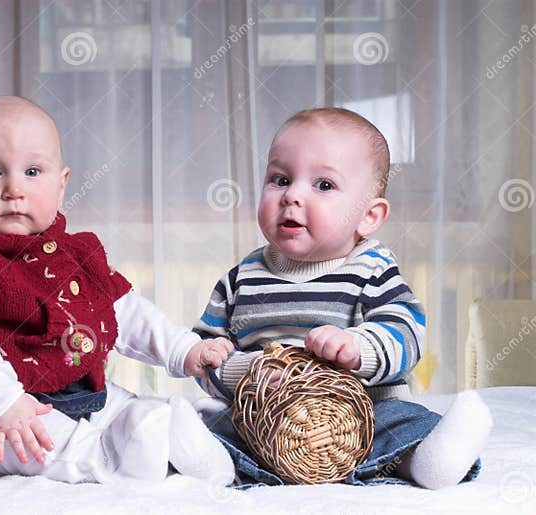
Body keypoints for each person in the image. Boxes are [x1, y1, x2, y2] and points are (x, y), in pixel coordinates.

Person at [0, 96, 235, 485]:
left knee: (116, 402)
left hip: (61, 390)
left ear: (61, 186)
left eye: (32, 171)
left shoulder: (70, 255)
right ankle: (109, 458)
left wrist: (182, 348)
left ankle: (173, 430)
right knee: (34, 441)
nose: (14, 189)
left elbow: (121, 311)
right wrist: (4, 402)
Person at [194, 107, 492, 489]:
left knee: (403, 421)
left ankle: (427, 461)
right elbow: (203, 353)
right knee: (215, 422)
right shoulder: (242, 279)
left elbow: (406, 333)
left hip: (363, 414)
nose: (292, 195)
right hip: (266, 421)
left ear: (368, 216)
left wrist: (358, 348)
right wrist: (244, 371)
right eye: (280, 179)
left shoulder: (371, 269)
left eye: (324, 185)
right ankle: (211, 461)